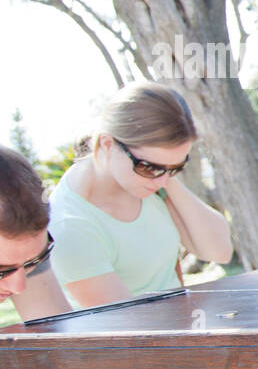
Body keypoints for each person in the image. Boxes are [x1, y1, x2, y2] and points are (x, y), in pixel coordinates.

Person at [48, 83, 233, 309]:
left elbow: (219, 250)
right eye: (150, 166)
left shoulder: (147, 183)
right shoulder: (70, 225)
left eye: (176, 167)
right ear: (107, 143)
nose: (163, 181)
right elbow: (126, 325)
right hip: (136, 339)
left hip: (181, 328)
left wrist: (163, 176)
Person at [0, 146, 73, 323]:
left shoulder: (20, 252)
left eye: (33, 262)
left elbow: (58, 341)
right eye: (1, 270)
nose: (19, 287)